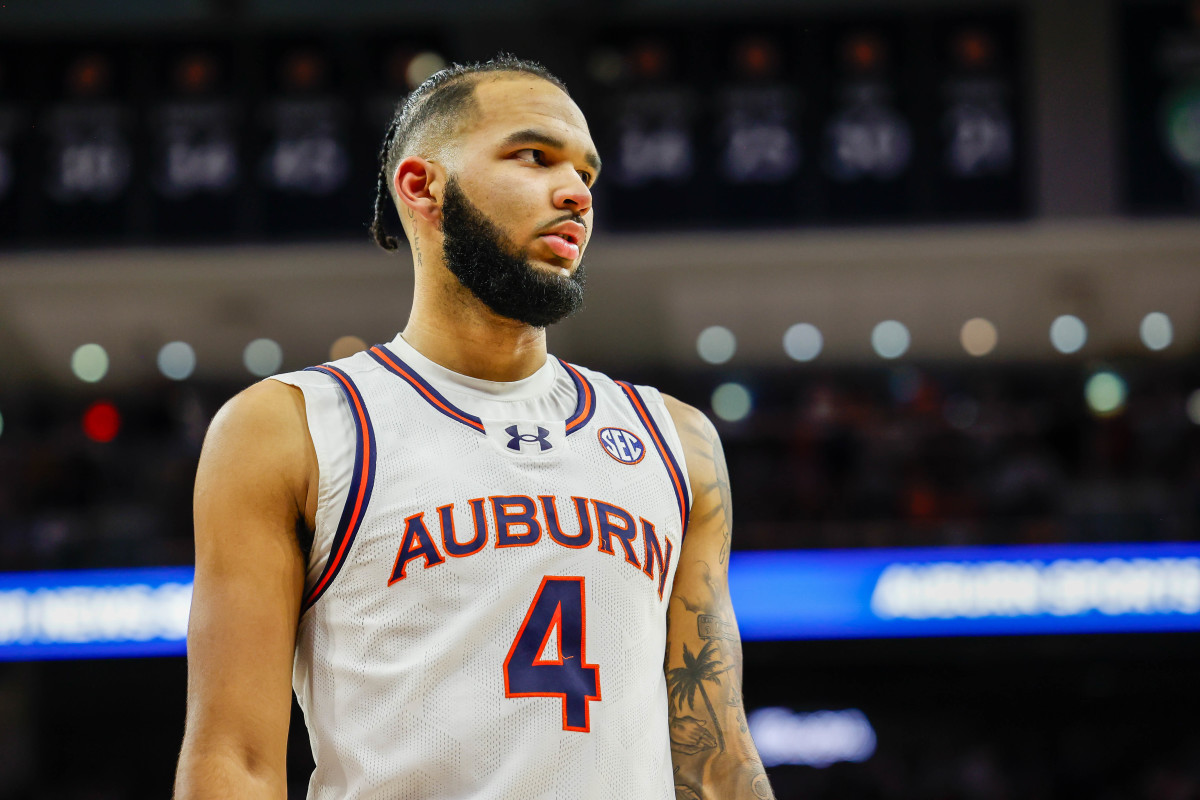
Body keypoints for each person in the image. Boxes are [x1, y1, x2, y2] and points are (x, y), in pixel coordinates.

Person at [174, 55, 773, 800]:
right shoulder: (290, 428)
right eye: (534, 156)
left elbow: (716, 753)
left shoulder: (676, 439)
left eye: (587, 174)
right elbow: (235, 760)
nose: (575, 193)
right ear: (422, 186)